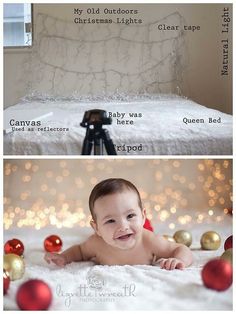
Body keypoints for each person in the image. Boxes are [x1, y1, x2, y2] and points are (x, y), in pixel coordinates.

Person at [44, 178, 193, 270]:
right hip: (128, 228)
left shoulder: (149, 241)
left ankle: (133, 221)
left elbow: (180, 248)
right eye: (110, 220)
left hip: (142, 228)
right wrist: (64, 257)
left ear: (142, 215)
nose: (122, 226)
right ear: (96, 228)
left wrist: (179, 260)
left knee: (143, 227)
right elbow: (79, 252)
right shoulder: (96, 243)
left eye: (130, 215)